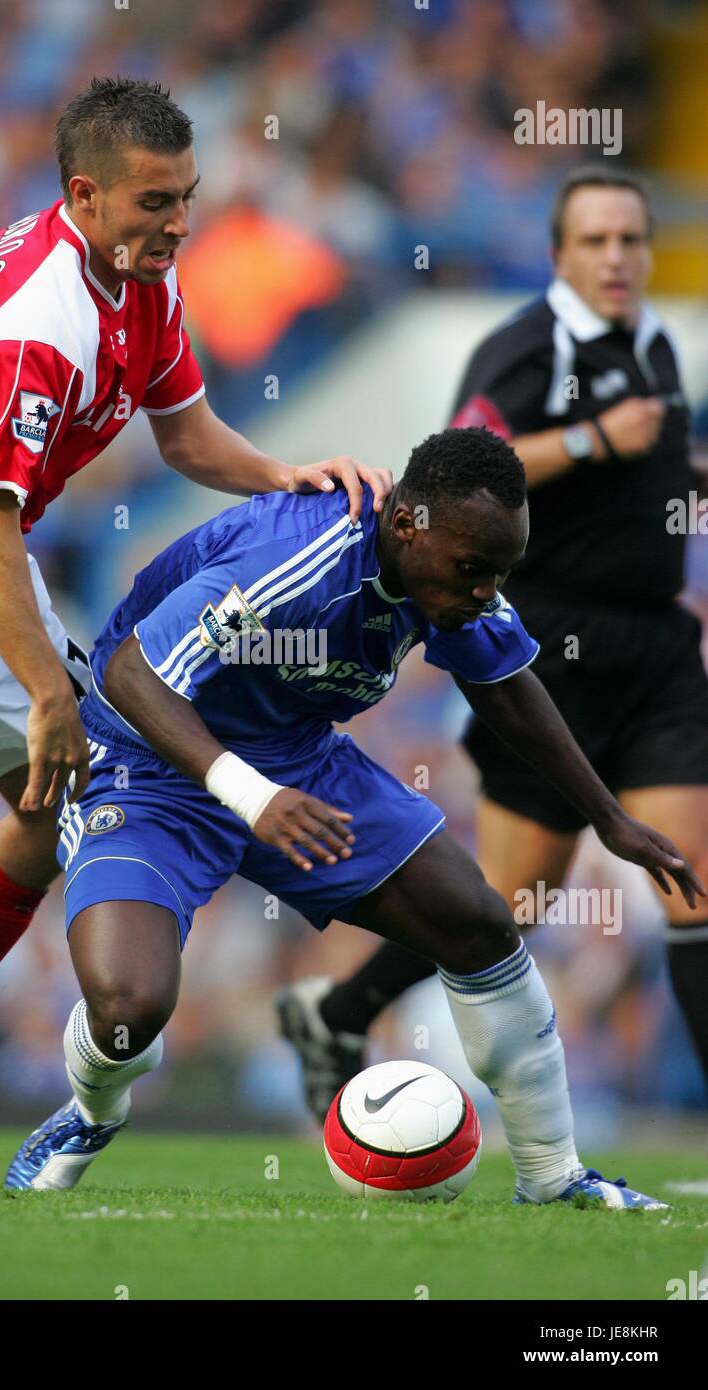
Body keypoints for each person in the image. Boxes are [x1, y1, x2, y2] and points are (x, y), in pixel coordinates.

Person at [0, 76, 390, 1182]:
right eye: (154, 203)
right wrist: (49, 694)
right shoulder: (35, 324)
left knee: (68, 802)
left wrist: (284, 472)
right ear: (85, 196)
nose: (177, 223)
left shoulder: (135, 280)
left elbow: (184, 436)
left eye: (185, 199)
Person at [3, 427, 700, 1208]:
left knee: (475, 921)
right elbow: (132, 672)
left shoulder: (450, 569)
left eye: (500, 574)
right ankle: (91, 1114)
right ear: (407, 525)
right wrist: (250, 794)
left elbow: (506, 685)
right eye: (474, 571)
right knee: (129, 1011)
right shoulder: (298, 560)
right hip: (146, 763)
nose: (483, 592)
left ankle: (552, 1175)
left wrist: (606, 817)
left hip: (293, 759)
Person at [278, 165, 708, 1121]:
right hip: (551, 645)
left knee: (693, 881)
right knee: (512, 902)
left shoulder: (657, 348)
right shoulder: (526, 346)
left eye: (629, 240)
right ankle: (340, 1009)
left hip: (659, 646)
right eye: (593, 240)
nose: (614, 257)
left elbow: (653, 467)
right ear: (558, 252)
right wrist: (596, 438)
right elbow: (463, 470)